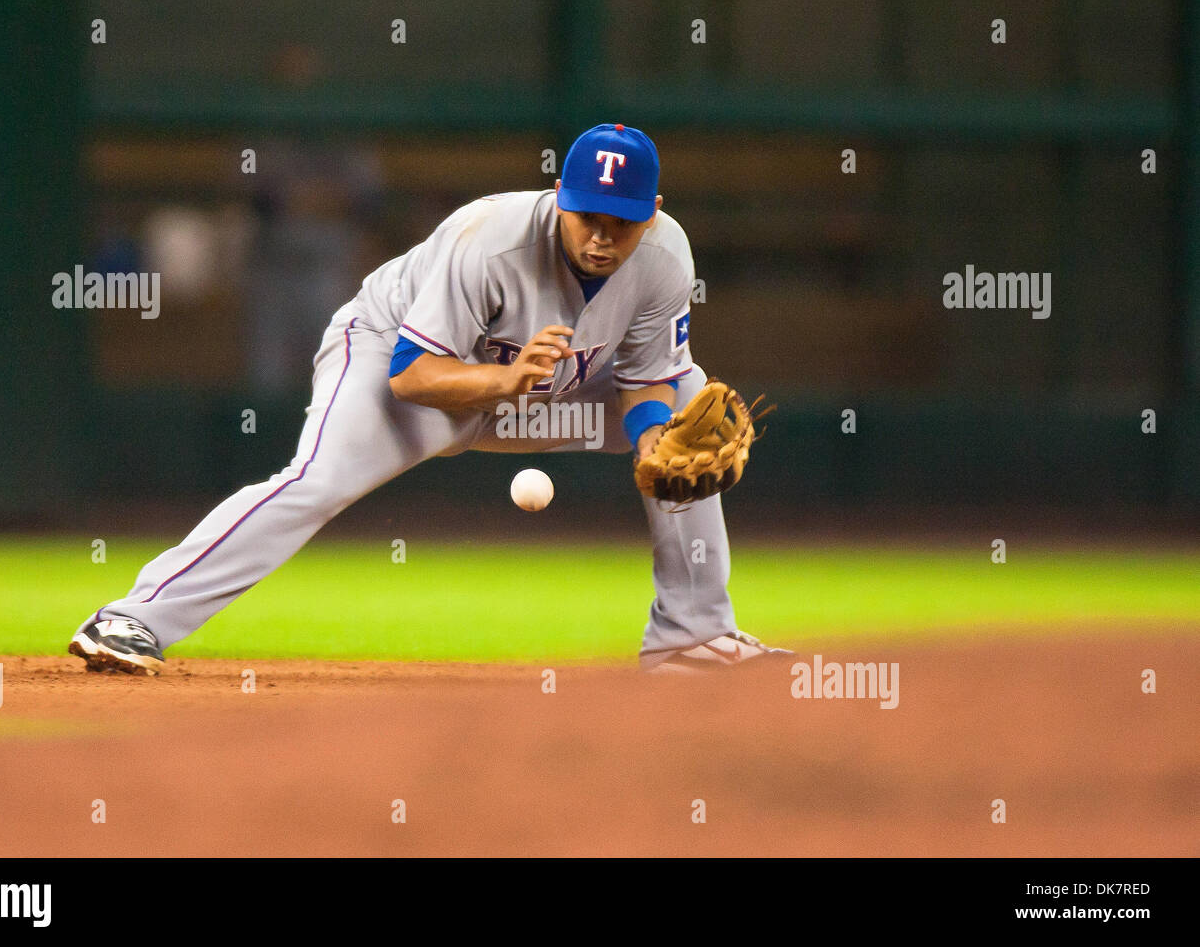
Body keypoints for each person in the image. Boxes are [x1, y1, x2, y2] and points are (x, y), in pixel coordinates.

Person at [68, 123, 789, 676]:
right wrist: (504, 384)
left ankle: (690, 633)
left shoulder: (666, 257)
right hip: (397, 359)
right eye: (587, 216)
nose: (602, 237)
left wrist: (652, 435)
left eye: (621, 222)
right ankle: (134, 618)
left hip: (549, 391)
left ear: (653, 211)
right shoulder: (489, 240)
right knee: (316, 480)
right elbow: (413, 374)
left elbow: (647, 377)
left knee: (690, 416)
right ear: (560, 200)